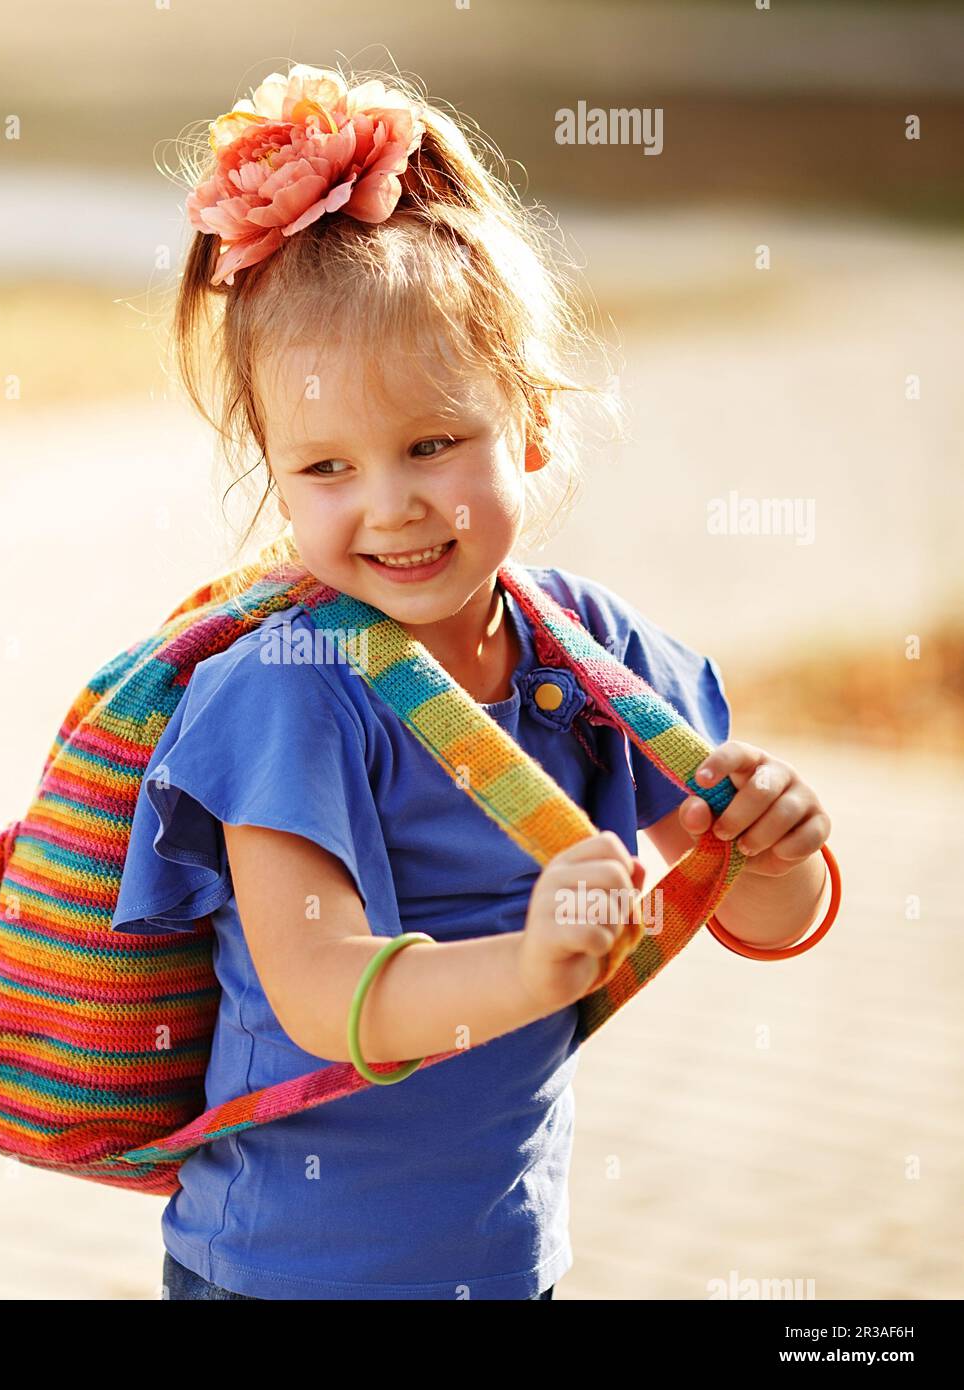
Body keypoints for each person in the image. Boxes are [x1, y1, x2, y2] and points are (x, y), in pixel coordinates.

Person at [112, 62, 833, 1301]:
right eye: (326, 466)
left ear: (530, 421)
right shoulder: (281, 691)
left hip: (506, 1266)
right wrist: (532, 961)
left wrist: (777, 852)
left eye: (433, 443)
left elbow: (757, 913)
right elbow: (328, 991)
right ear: (272, 475)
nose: (390, 504)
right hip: (282, 1274)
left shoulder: (591, 659)